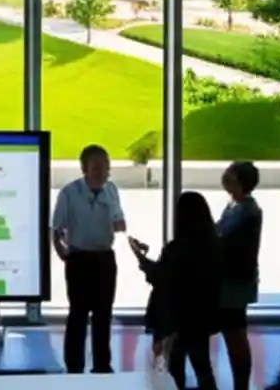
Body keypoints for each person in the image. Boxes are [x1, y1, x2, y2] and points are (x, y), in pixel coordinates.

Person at [129, 191, 221, 390]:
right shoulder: (213, 245)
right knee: (202, 364)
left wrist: (142, 259)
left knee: (175, 367)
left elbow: (161, 278)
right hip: (202, 315)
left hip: (178, 318)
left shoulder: (176, 248)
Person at [51, 144, 126, 374]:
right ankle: (74, 365)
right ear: (85, 168)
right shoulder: (70, 192)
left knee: (104, 314)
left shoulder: (111, 190)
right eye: (97, 167)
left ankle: (102, 365)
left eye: (106, 167)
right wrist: (61, 251)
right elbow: (56, 227)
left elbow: (119, 221)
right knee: (78, 314)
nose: (103, 172)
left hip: (104, 259)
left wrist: (120, 225)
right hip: (80, 259)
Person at [217, 161, 264, 390]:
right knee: (234, 332)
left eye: (231, 179)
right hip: (233, 280)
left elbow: (224, 238)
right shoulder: (235, 206)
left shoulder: (246, 211)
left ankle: (241, 384)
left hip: (235, 281)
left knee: (235, 334)